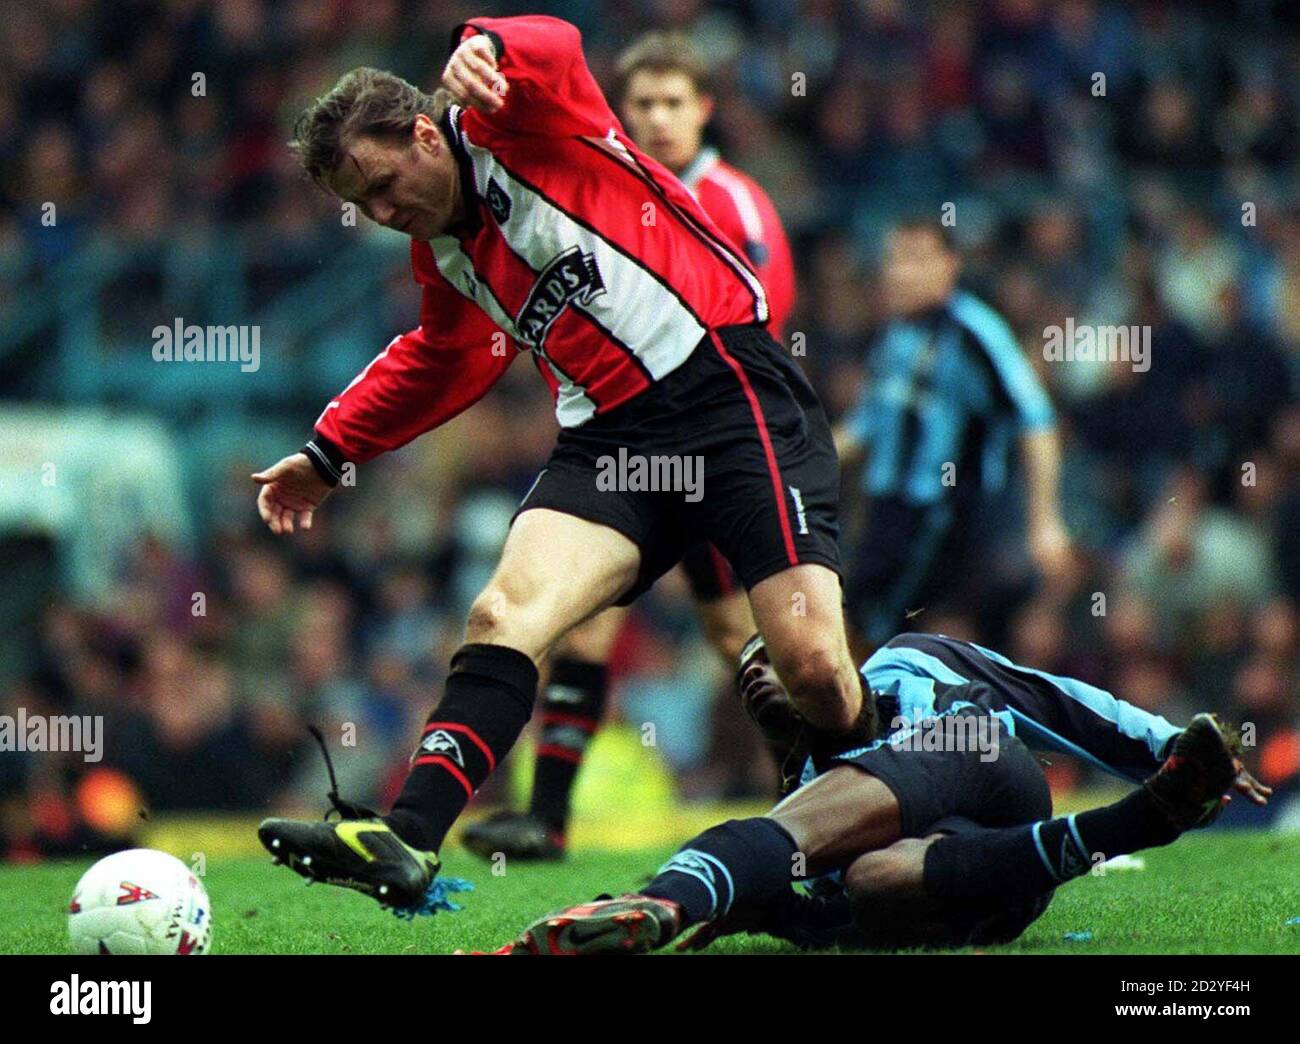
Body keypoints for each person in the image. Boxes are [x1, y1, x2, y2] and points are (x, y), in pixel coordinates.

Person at [253, 15, 865, 913]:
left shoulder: (517, 121)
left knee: (808, 662)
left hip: (727, 390)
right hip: (610, 438)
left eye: (385, 187)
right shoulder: (443, 252)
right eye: (365, 207)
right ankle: (407, 837)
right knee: (505, 611)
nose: (384, 216)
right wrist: (328, 450)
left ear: (426, 132)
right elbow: (446, 356)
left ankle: (893, 803)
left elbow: (559, 47)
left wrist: (486, 46)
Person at [463, 30, 799, 863]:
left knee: (742, 639)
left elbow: (759, 320)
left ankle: (819, 795)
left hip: (716, 442)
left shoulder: (735, 203)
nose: (656, 118)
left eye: (672, 102)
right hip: (630, 452)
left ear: (704, 110)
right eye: (642, 103)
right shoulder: (604, 183)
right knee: (584, 623)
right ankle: (545, 817)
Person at [486, 632, 1271, 954]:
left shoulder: (911, 666)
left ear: (832, 652)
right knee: (861, 878)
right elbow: (803, 912)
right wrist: (686, 919)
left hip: (990, 776)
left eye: (779, 655)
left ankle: (1146, 813)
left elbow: (1055, 700)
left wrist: (1169, 747)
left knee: (926, 760)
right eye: (750, 668)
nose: (763, 672)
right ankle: (655, 907)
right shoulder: (806, 788)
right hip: (974, 894)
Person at [834, 220, 1072, 649]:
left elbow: (1036, 421)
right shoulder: (895, 334)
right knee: (861, 621)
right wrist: (799, 463)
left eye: (915, 259)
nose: (900, 272)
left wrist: (1045, 521)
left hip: (940, 510)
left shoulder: (976, 333)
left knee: (875, 627)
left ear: (949, 264)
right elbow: (866, 424)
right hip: (886, 508)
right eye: (894, 260)